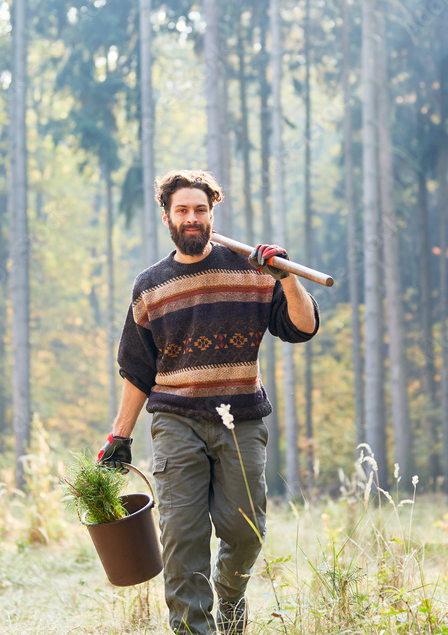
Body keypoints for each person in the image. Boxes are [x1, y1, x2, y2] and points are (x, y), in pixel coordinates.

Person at [96, 169, 320, 634]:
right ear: (167, 218)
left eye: (200, 210)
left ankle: (231, 600)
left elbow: (303, 328)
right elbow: (137, 371)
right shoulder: (150, 286)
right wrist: (119, 436)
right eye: (182, 210)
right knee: (183, 536)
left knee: (244, 531)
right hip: (175, 421)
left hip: (242, 419)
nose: (192, 218)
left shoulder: (252, 271)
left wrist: (286, 277)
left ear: (212, 214)